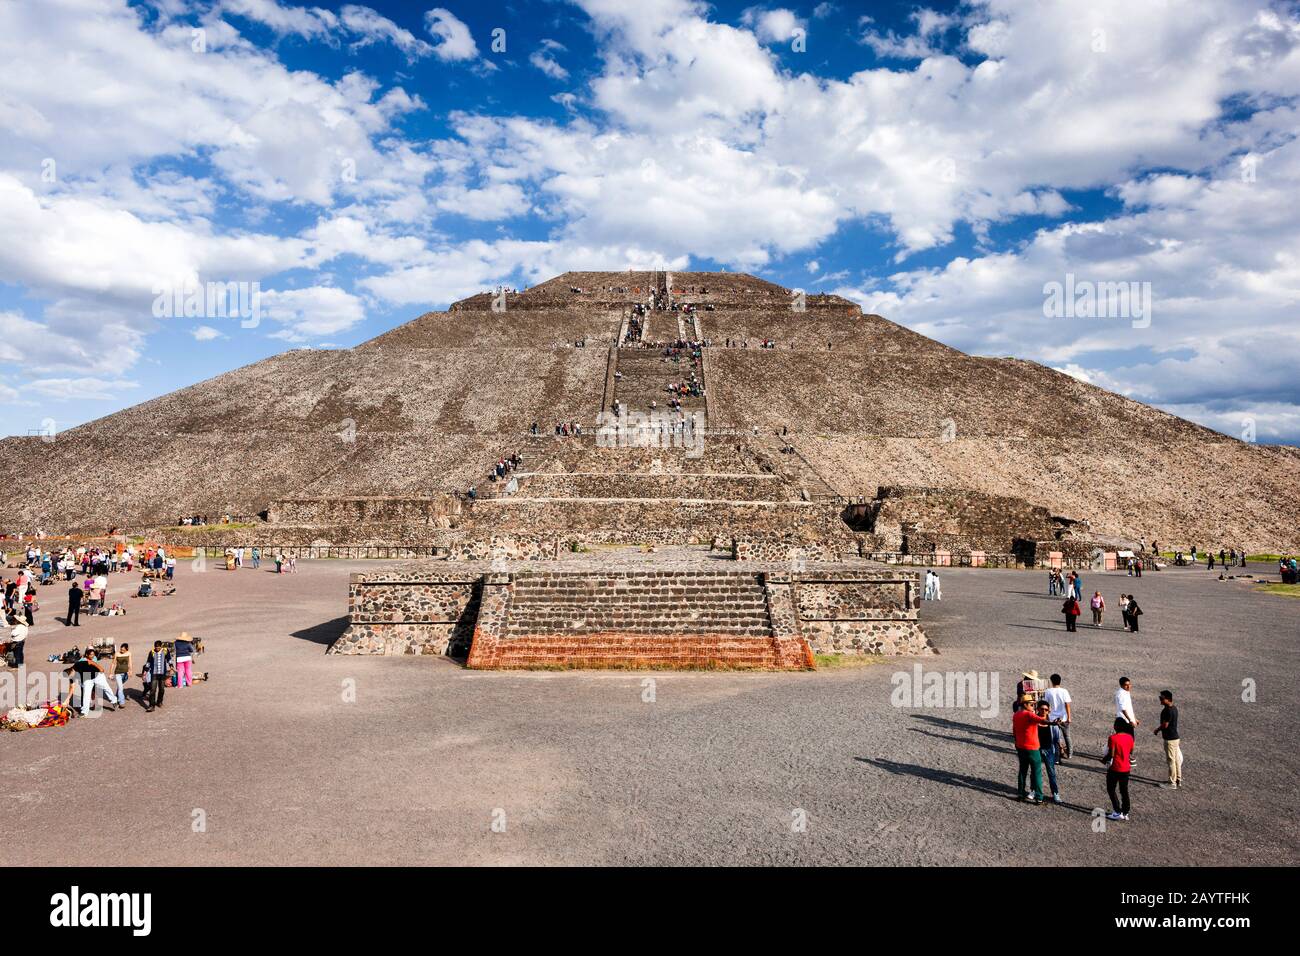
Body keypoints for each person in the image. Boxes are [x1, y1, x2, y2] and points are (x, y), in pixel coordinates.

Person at [1013, 695, 1050, 803]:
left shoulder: (1016, 715)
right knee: (1037, 772)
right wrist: (1050, 718)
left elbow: (1014, 731)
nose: (1033, 707)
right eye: (1031, 704)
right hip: (1033, 748)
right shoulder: (1029, 715)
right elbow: (1042, 720)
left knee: (1022, 771)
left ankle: (1020, 793)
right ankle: (1039, 797)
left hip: (1020, 747)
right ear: (1025, 705)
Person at [1102, 718, 1135, 820]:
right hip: (1126, 768)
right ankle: (1125, 812)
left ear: (1116, 727)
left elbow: (1111, 754)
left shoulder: (1113, 738)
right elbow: (1131, 751)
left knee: (1111, 789)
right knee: (1124, 790)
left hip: (1115, 768)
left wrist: (1103, 760)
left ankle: (1117, 811)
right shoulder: (1130, 737)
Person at [66, 650, 118, 715]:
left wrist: (101, 668)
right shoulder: (71, 676)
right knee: (86, 694)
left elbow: (91, 662)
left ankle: (114, 701)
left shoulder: (78, 664)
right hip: (87, 680)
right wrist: (67, 699)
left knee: (106, 687)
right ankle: (84, 712)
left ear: (72, 670)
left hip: (97, 675)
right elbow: (72, 688)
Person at [1154, 690, 1183, 789]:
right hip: (1175, 738)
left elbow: (1165, 725)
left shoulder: (1168, 710)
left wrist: (1157, 730)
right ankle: (1178, 779)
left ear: (1168, 699)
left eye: (1162, 699)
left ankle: (1172, 783)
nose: (1160, 701)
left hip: (1170, 739)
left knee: (1171, 760)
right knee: (1176, 760)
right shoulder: (1174, 708)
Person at [1036, 700, 1062, 803]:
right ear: (1038, 709)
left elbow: (1057, 737)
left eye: (1046, 710)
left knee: (1051, 772)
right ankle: (1034, 791)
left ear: (1048, 711)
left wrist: (1061, 748)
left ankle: (1055, 793)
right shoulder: (1034, 720)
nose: (1044, 711)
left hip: (1049, 750)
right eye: (1041, 709)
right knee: (1035, 772)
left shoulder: (1052, 722)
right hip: (1036, 749)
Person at [1043, 673, 1073, 759]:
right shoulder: (1064, 691)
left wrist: (1047, 716)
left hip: (1053, 718)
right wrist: (1069, 717)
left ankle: (1059, 752)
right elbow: (1067, 705)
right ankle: (1070, 753)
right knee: (1067, 736)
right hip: (1064, 717)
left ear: (1051, 681)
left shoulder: (1048, 691)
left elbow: (1046, 705)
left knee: (1056, 737)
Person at [144, 641, 171, 712]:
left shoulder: (165, 651)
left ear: (161, 646)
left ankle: (159, 701)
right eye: (156, 647)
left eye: (158, 647)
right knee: (152, 690)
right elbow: (148, 662)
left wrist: (171, 667)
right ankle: (151, 706)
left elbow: (169, 659)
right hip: (154, 673)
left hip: (162, 674)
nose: (157, 648)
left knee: (162, 689)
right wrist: (145, 671)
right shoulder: (152, 652)